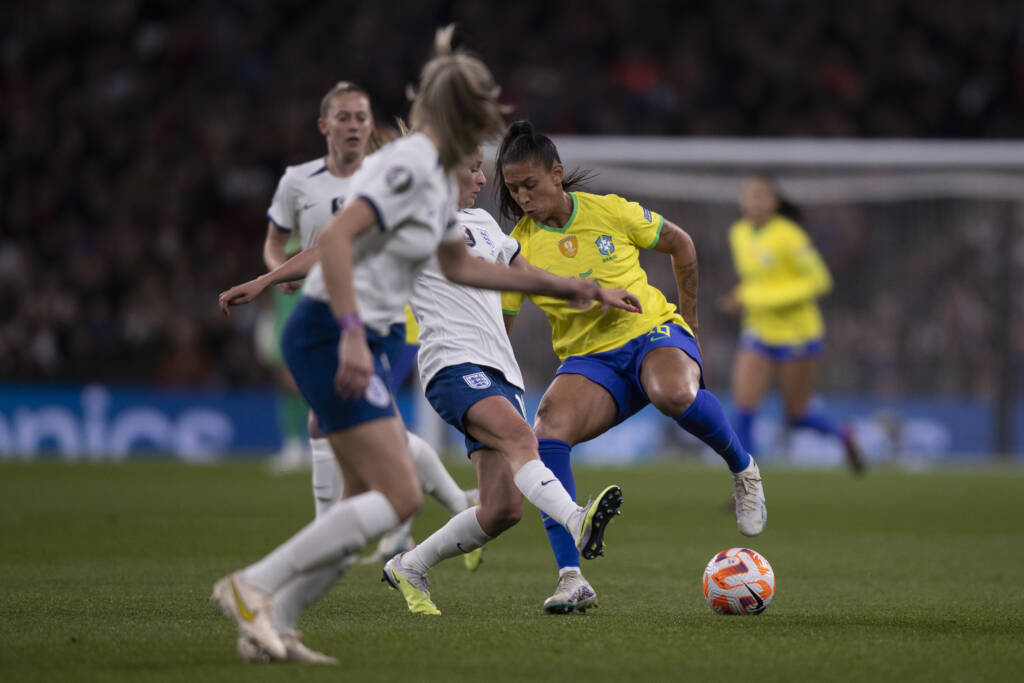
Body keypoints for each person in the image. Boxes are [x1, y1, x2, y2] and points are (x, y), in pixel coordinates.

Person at [211, 27, 625, 664]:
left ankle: (276, 623)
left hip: (362, 339)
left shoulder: (436, 189)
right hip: (332, 334)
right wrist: (334, 326)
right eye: (482, 105)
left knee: (383, 505)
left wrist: (568, 286)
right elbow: (337, 242)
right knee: (408, 492)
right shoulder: (405, 169)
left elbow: (464, 268)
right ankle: (252, 587)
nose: (491, 121)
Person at [496, 120, 766, 613]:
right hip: (590, 362)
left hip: (651, 333)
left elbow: (681, 244)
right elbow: (504, 324)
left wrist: (689, 320)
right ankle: (571, 578)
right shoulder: (517, 246)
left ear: (557, 174)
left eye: (529, 185)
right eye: (513, 190)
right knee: (546, 433)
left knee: (672, 394)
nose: (522, 198)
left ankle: (743, 469)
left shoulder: (610, 211)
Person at [380, 147, 632, 615]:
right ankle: (578, 521)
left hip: (500, 369)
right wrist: (270, 278)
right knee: (524, 438)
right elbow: (333, 246)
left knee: (502, 510)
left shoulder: (482, 223)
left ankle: (409, 566)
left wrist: (592, 291)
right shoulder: (409, 221)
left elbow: (528, 275)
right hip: (452, 364)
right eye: (473, 167)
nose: (481, 179)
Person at [717, 174, 865, 472]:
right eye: (748, 195)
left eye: (761, 196)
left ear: (774, 202)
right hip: (758, 331)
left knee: (797, 415)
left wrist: (757, 297)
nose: (753, 201)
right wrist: (740, 295)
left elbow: (819, 281)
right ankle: (749, 487)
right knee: (743, 410)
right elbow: (756, 280)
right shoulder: (738, 233)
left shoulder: (790, 236)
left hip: (797, 334)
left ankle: (843, 434)